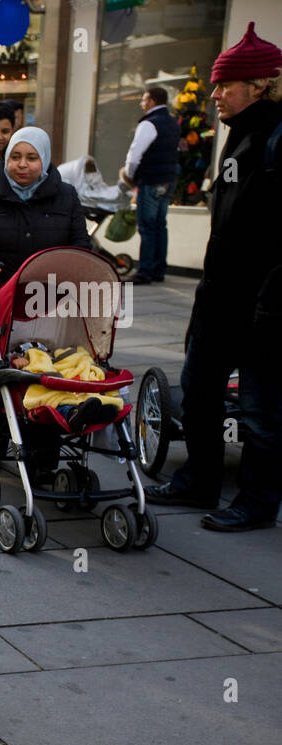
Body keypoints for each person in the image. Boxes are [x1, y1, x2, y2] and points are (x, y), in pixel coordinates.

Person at [145, 22, 282, 532]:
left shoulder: (275, 139)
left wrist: (271, 302)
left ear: (262, 85)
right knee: (198, 389)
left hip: (265, 304)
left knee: (260, 409)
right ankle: (197, 480)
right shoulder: (238, 136)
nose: (216, 94)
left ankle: (257, 503)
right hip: (219, 297)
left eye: (227, 85)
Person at [0, 126, 90, 470]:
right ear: (5, 157)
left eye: (31, 158)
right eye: (15, 157)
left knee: (45, 375)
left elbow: (80, 246)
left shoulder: (67, 196)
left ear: (45, 161)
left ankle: (42, 460)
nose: (22, 165)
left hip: (47, 304)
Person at [120, 86, 179, 285]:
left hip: (151, 180)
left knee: (146, 226)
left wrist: (128, 176)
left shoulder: (148, 124)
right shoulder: (172, 122)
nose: (141, 103)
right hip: (168, 180)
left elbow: (134, 155)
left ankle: (144, 271)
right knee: (161, 225)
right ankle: (159, 269)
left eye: (144, 99)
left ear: (152, 101)